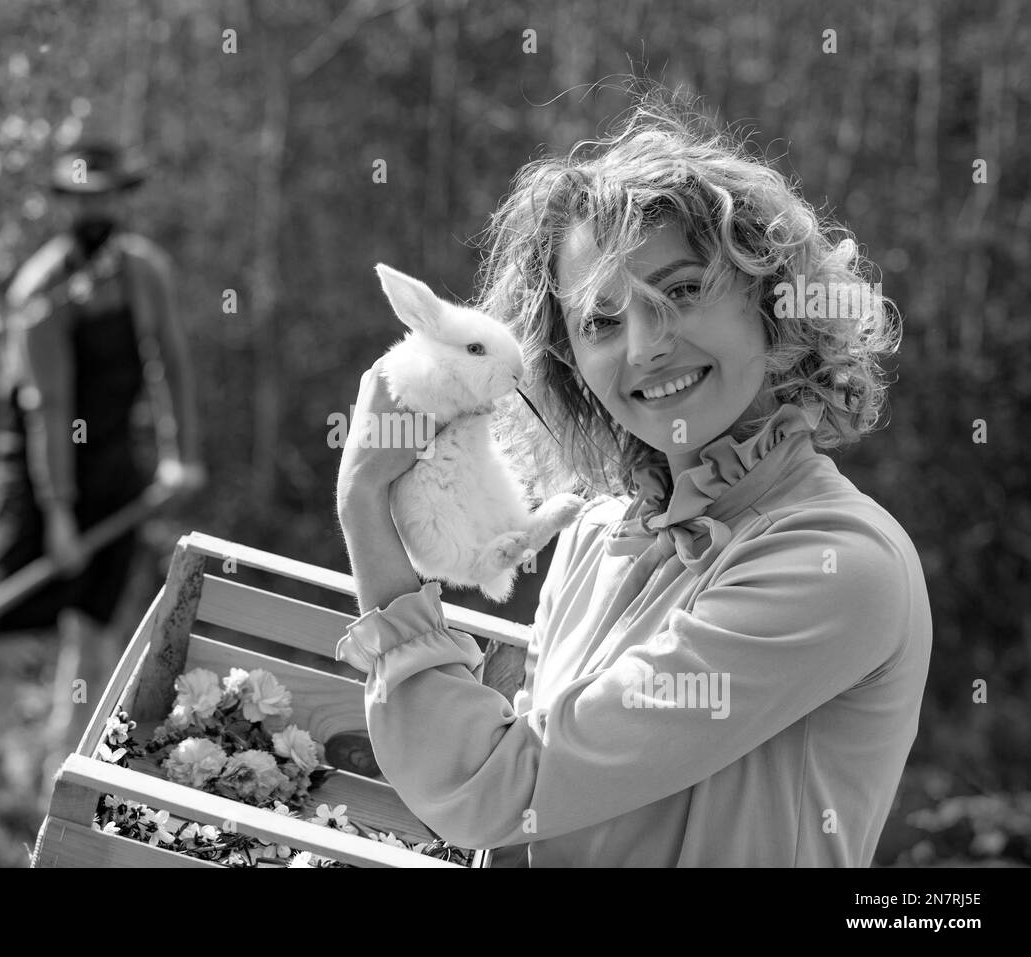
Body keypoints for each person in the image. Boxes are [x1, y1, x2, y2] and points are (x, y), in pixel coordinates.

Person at [334, 87, 932, 867]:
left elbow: (497, 786)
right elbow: (526, 835)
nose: (645, 346)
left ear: (773, 301)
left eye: (681, 290)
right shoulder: (593, 535)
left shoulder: (837, 565)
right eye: (602, 320)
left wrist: (362, 506)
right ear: (571, 362)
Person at [0, 140, 205, 793]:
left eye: (106, 194)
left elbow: (171, 364)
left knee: (97, 625)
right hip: (33, 473)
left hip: (112, 467)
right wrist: (60, 514)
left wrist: (178, 456)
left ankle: (63, 766)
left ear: (121, 198)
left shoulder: (144, 272)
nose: (95, 205)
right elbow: (50, 407)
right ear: (67, 202)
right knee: (9, 627)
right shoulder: (38, 290)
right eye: (83, 195)